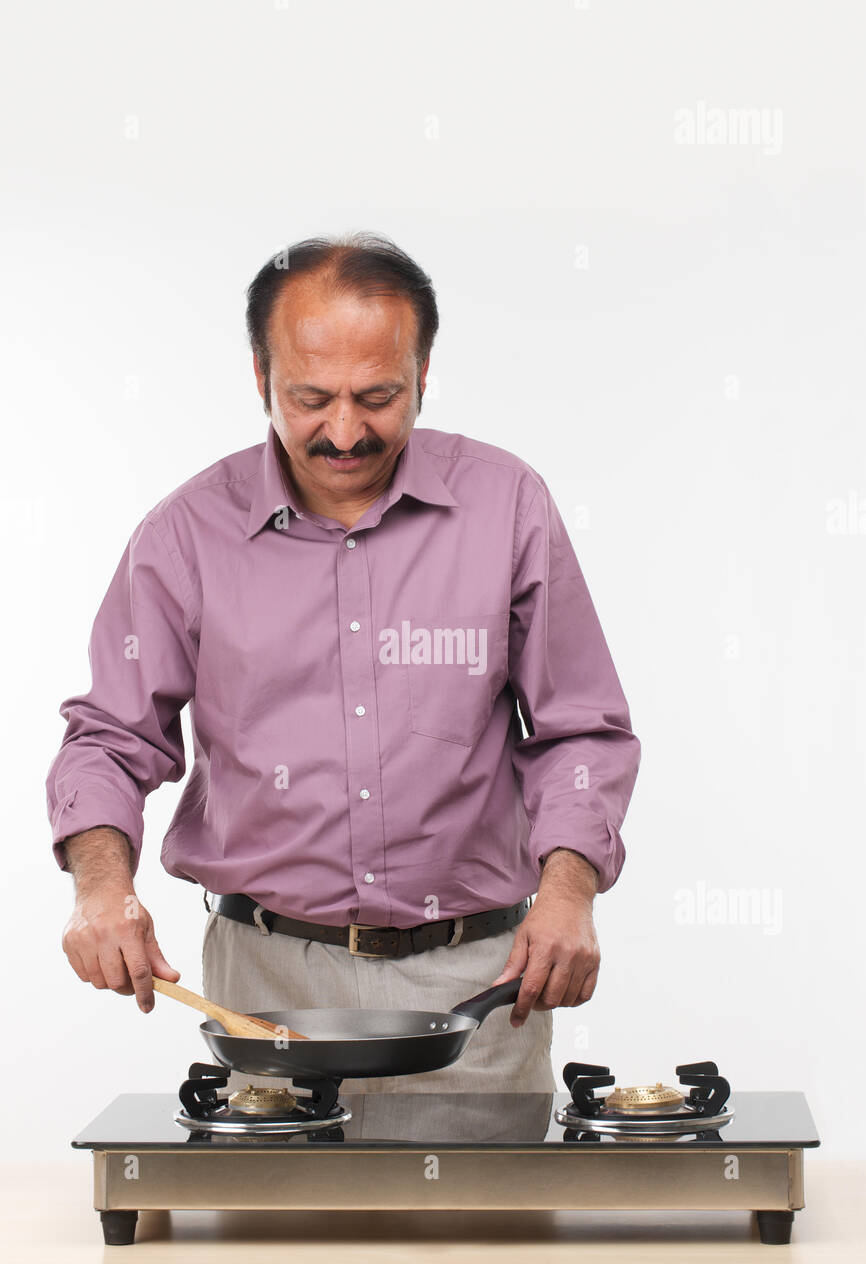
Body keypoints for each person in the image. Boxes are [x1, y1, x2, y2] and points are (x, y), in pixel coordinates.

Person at [47, 232, 640, 1093]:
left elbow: (579, 728)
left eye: (378, 396)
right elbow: (106, 738)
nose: (345, 431)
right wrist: (101, 889)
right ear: (261, 379)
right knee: (281, 1229)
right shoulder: (183, 538)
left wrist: (570, 893)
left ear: (424, 375)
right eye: (311, 397)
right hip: (265, 992)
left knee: (482, 1231)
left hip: (477, 992)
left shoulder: (508, 506)